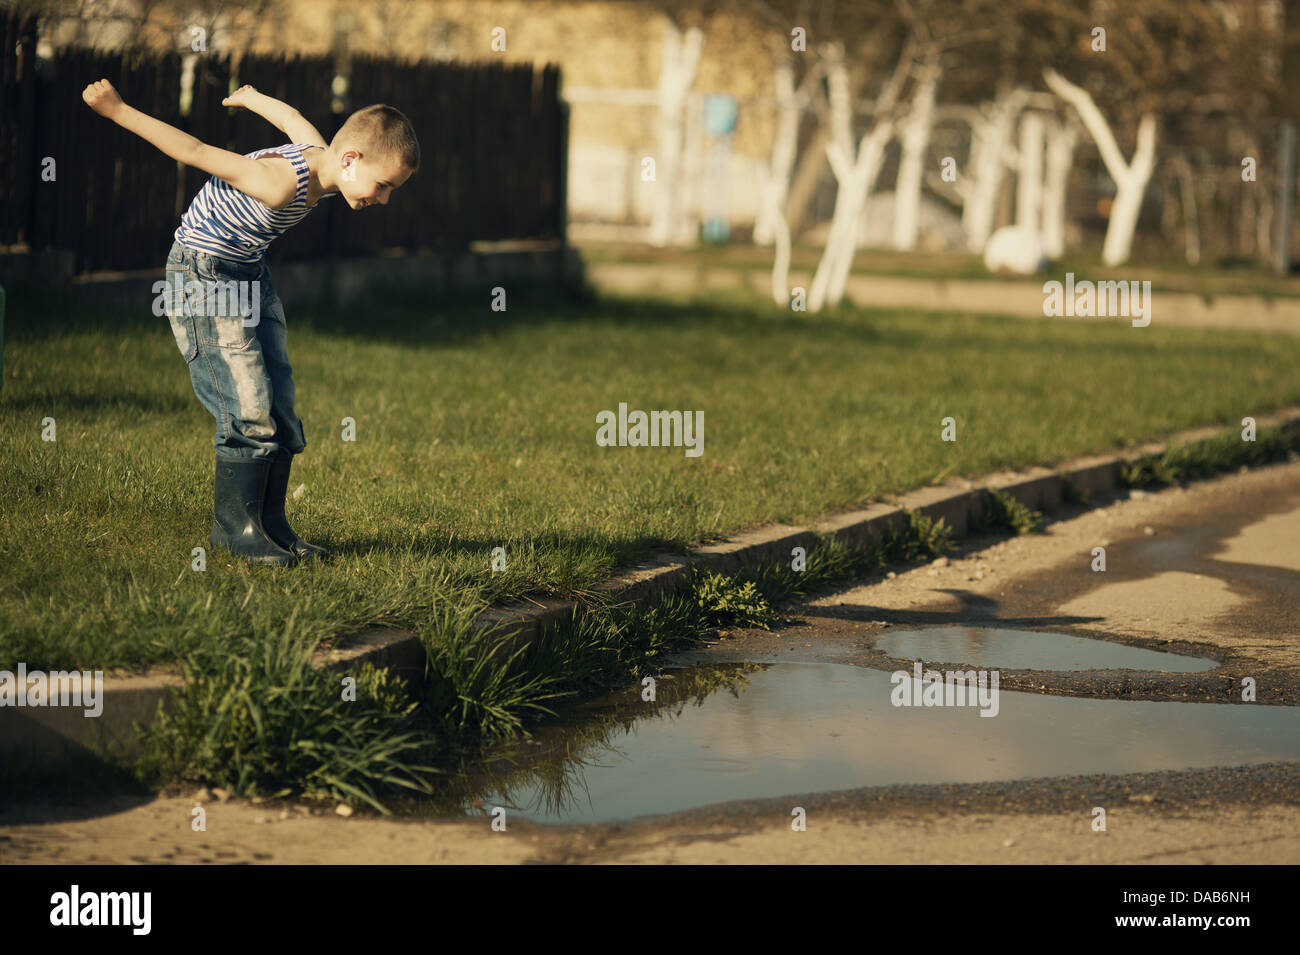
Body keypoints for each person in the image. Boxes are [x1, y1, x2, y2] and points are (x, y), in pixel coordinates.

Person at [82, 79, 418, 565]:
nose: (384, 199)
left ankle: (271, 526)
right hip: (203, 276)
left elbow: (292, 119)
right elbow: (194, 150)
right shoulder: (277, 182)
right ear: (350, 160)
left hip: (247, 270)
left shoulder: (322, 155)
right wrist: (117, 110)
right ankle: (235, 530)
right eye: (383, 186)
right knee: (248, 404)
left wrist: (252, 98)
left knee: (279, 403)